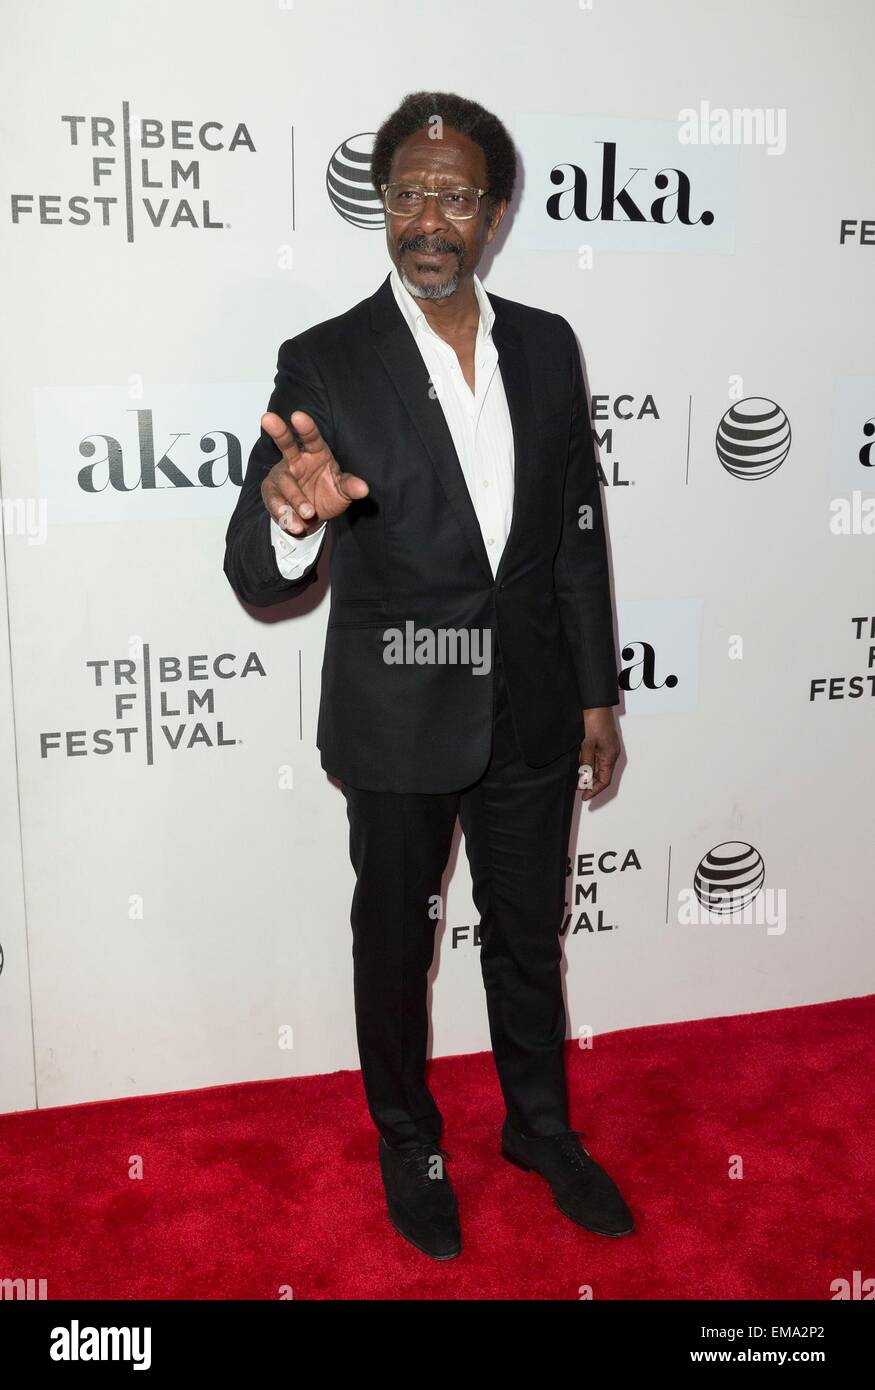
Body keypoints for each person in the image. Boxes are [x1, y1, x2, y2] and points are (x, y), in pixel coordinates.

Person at [224, 91, 633, 1260]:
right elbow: (255, 564)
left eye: (454, 194)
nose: (427, 220)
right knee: (396, 945)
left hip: (534, 711)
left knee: (526, 937)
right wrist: (290, 517)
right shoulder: (328, 358)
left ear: (494, 211)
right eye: (406, 193)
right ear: (382, 204)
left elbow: (572, 529)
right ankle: (411, 1142)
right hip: (399, 712)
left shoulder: (548, 345)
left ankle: (539, 1129)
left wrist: (596, 691)